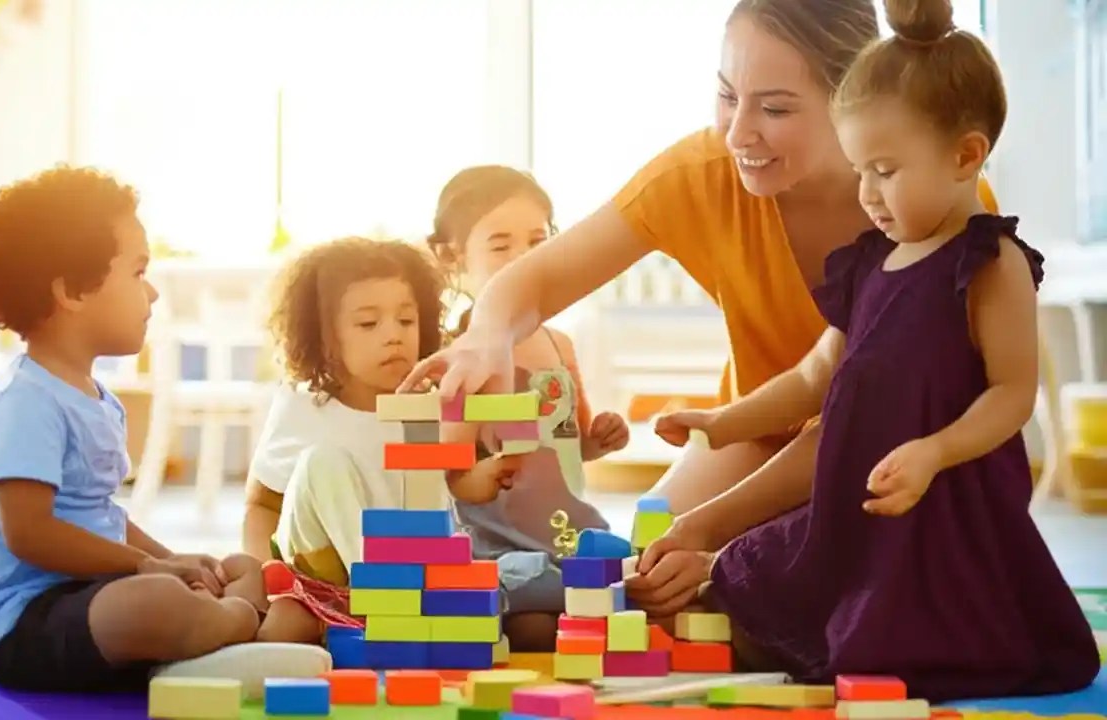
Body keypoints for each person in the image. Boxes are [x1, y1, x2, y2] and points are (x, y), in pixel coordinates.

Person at [398, 0, 997, 606]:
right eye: (727, 95)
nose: (738, 133)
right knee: (649, 565)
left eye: (776, 108)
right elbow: (541, 278)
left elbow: (861, 422)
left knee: (791, 586)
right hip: (761, 427)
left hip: (905, 454)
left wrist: (713, 539)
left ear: (854, 100)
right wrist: (486, 337)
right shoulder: (705, 171)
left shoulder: (937, 203)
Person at [642, 0, 1100, 701]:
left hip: (943, 511)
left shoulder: (989, 262)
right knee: (753, 587)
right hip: (852, 505)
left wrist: (934, 451)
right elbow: (816, 375)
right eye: (860, 170)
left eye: (885, 170)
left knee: (880, 643)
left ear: (965, 156)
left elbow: (1012, 395)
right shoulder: (870, 260)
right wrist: (723, 421)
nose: (868, 194)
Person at [0, 166, 289, 693]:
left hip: (93, 598)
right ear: (71, 290)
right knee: (152, 602)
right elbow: (31, 534)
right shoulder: (24, 402)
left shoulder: (92, 396)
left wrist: (169, 558)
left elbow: (102, 516)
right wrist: (146, 567)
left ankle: (211, 628)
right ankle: (239, 626)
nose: (152, 293)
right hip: (31, 626)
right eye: (137, 272)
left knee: (241, 564)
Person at [425, 165, 629, 649]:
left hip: (563, 527)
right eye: (500, 245)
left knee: (618, 601)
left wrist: (597, 441)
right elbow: (449, 471)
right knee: (536, 628)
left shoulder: (560, 344)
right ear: (452, 258)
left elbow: (569, 447)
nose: (522, 260)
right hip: (498, 535)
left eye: (538, 244)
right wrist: (485, 474)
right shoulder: (459, 354)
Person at [241, 237, 446, 590]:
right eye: (368, 323)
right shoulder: (303, 403)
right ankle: (382, 589)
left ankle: (393, 593)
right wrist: (272, 583)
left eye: (406, 320)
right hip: (319, 575)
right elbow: (262, 506)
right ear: (324, 340)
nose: (394, 335)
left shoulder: (436, 404)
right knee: (323, 462)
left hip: (417, 571)